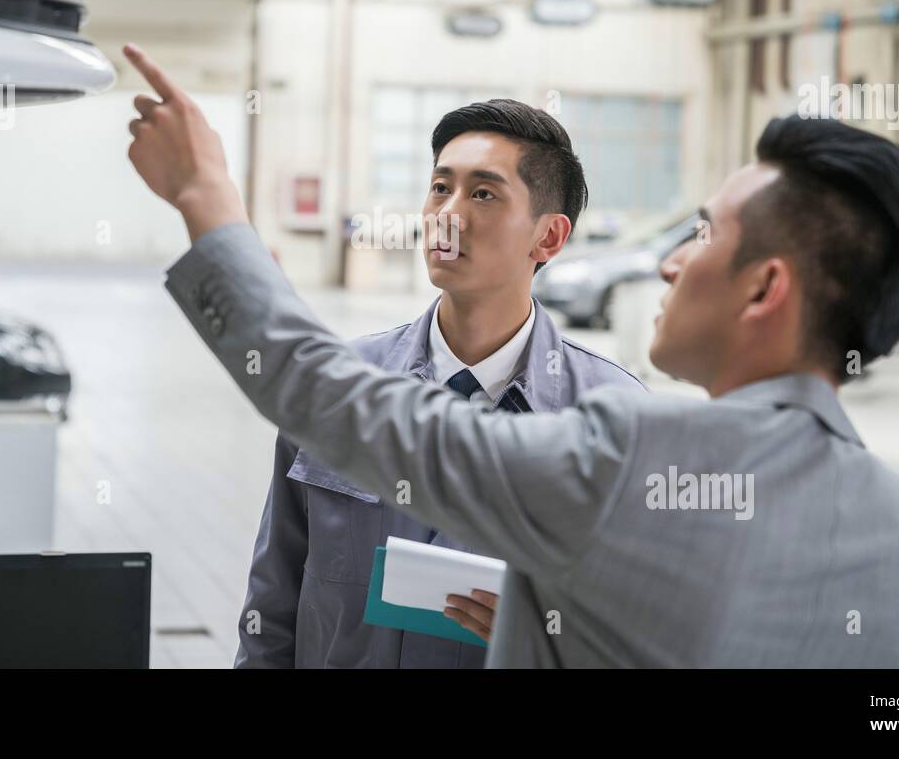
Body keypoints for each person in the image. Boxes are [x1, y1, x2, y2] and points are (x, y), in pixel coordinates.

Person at [123, 44, 899, 668]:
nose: (667, 261)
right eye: (439, 185)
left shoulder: (623, 447)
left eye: (702, 235)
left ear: (765, 289)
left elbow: (325, 395)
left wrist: (207, 199)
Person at [234, 99, 646, 668]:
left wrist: (552, 643)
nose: (447, 214)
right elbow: (272, 601)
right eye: (439, 188)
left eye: (483, 193)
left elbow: (642, 639)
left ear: (548, 238)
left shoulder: (618, 419)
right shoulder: (339, 387)